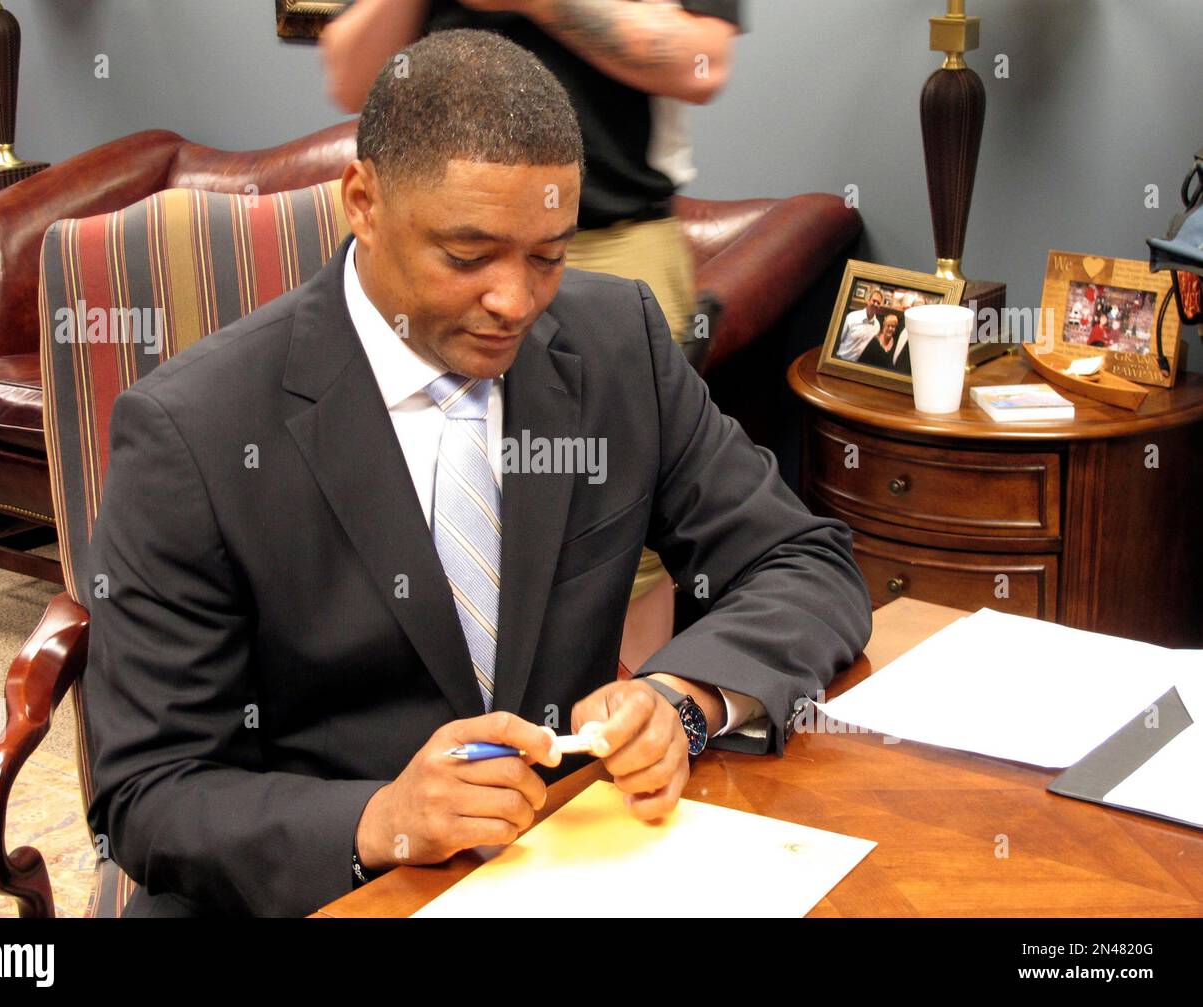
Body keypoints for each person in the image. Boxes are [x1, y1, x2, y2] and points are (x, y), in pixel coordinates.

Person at [84, 30, 871, 917]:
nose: (516, 302)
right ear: (363, 202)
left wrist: (681, 697)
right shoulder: (195, 432)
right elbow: (146, 794)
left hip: (564, 870)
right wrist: (375, 820)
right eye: (467, 256)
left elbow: (804, 562)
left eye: (548, 254)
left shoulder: (618, 346)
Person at [320, 0, 744, 665]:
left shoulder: (615, 316)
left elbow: (703, 62)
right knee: (413, 515)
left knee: (622, 549)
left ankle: (607, 748)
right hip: (434, 238)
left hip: (606, 242)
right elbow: (350, 76)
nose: (510, 303)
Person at [836, 287, 885, 361]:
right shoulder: (852, 317)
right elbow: (838, 339)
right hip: (842, 359)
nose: (875, 304)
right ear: (868, 301)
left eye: (878, 303)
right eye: (874, 301)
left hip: (859, 365)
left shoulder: (877, 326)